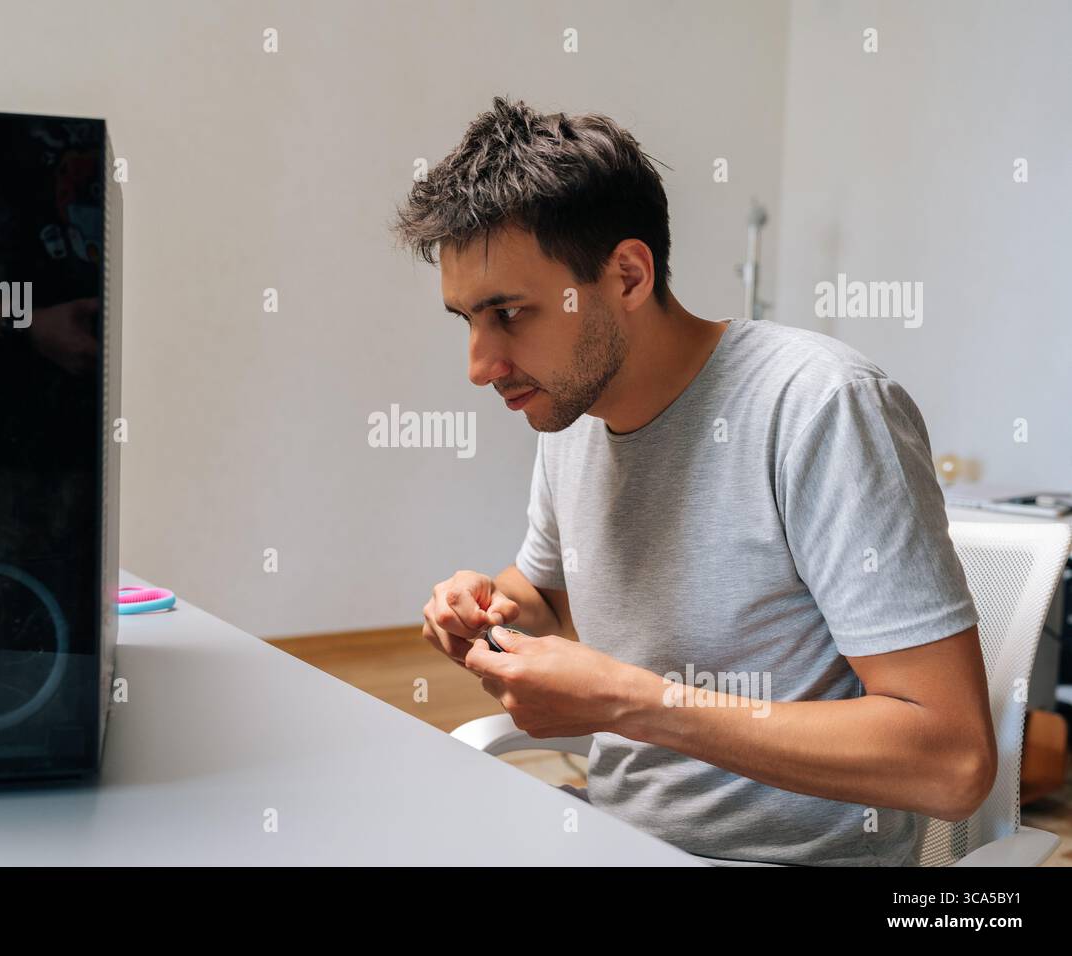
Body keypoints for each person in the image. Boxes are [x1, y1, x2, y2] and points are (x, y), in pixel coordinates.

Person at [394, 96, 996, 866]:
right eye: (466, 321)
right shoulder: (570, 416)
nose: (479, 366)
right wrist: (489, 610)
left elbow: (953, 763)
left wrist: (633, 702)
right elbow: (544, 599)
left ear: (629, 275)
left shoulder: (819, 407)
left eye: (509, 313)